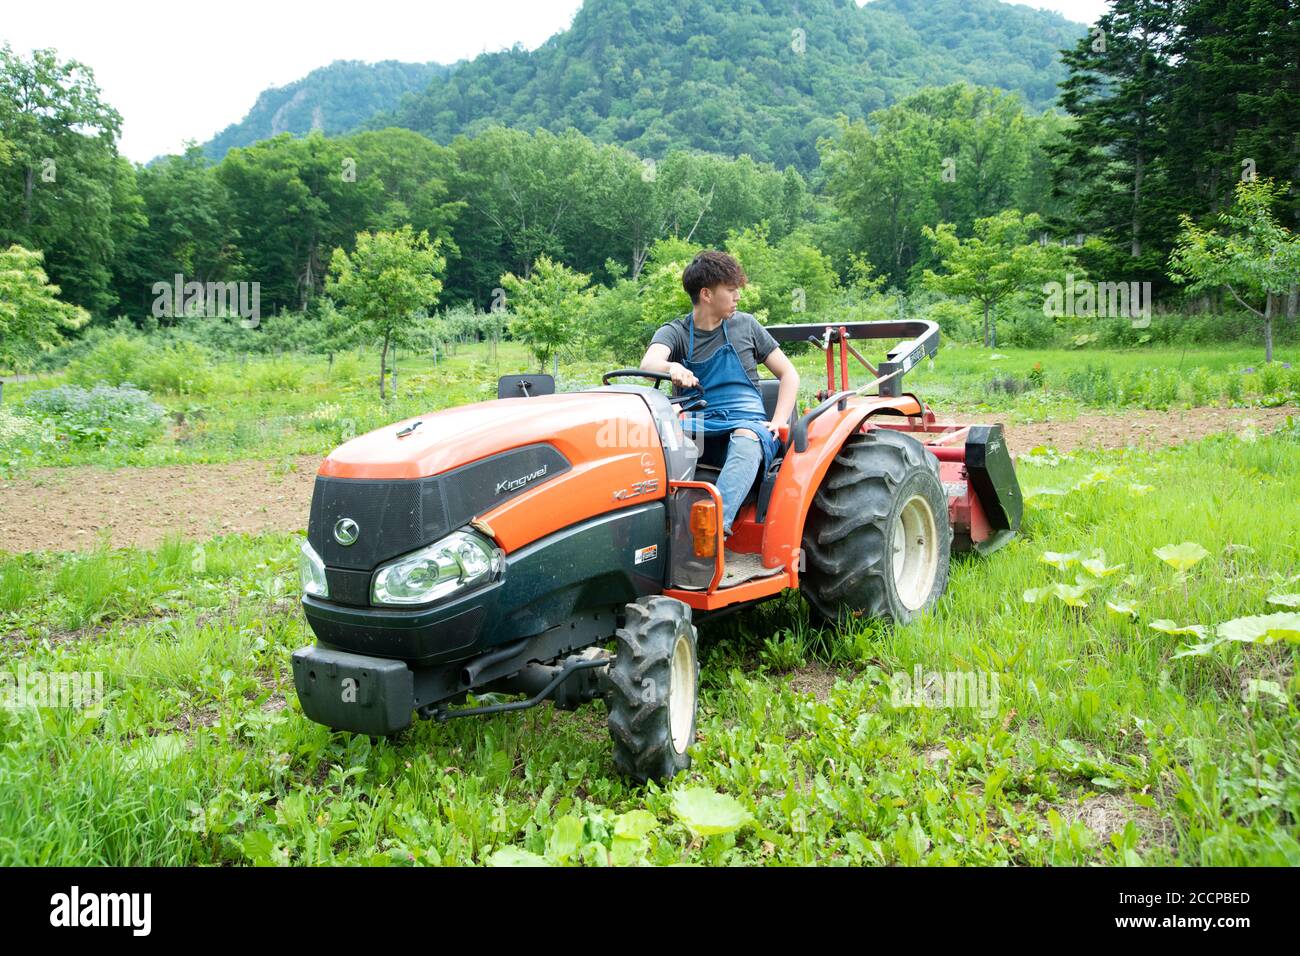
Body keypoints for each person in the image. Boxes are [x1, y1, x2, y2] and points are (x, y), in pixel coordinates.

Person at [639, 250, 800, 540]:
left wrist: (777, 421)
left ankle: (710, 530)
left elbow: (789, 375)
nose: (738, 296)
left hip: (746, 424)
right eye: (731, 289)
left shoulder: (746, 326)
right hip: (698, 427)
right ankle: (651, 531)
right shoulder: (675, 332)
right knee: (649, 442)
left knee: (746, 438)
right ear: (706, 294)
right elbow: (649, 366)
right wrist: (671, 366)